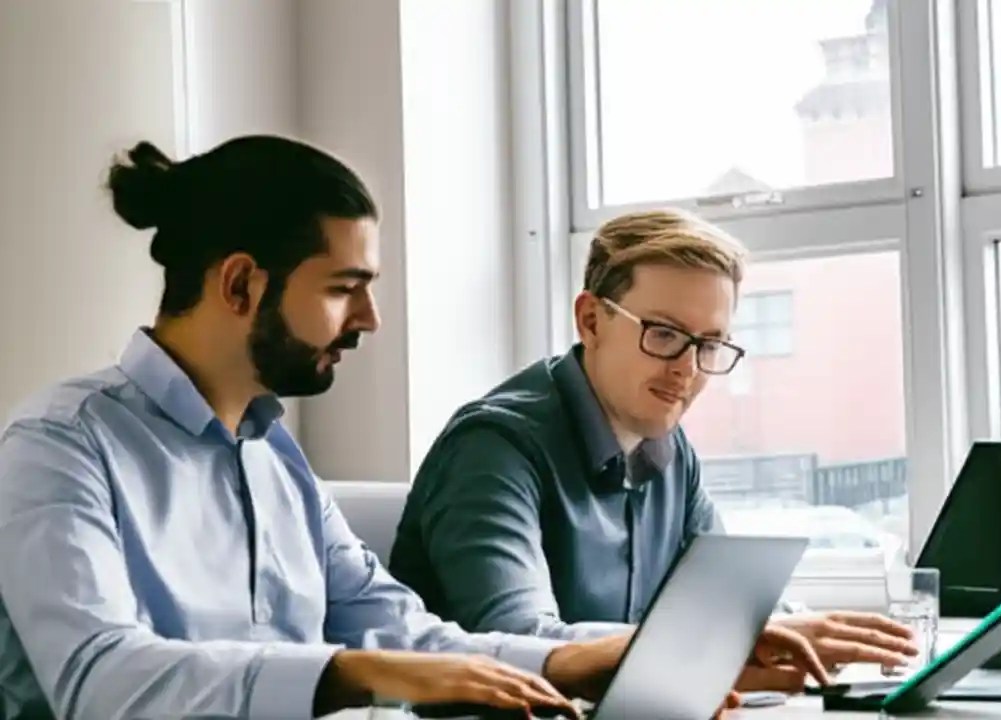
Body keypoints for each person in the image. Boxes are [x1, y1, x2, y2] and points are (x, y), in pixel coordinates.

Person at [0, 138, 823, 720]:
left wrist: (582, 661)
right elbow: (100, 679)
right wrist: (355, 673)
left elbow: (404, 629)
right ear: (243, 284)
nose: (371, 318)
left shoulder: (275, 459)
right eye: (344, 288)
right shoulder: (59, 445)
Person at [388, 208, 917, 690]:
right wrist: (733, 646)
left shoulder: (667, 445)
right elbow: (521, 640)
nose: (687, 369)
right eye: (664, 334)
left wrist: (783, 632)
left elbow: (727, 607)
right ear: (591, 320)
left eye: (709, 344)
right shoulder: (493, 448)